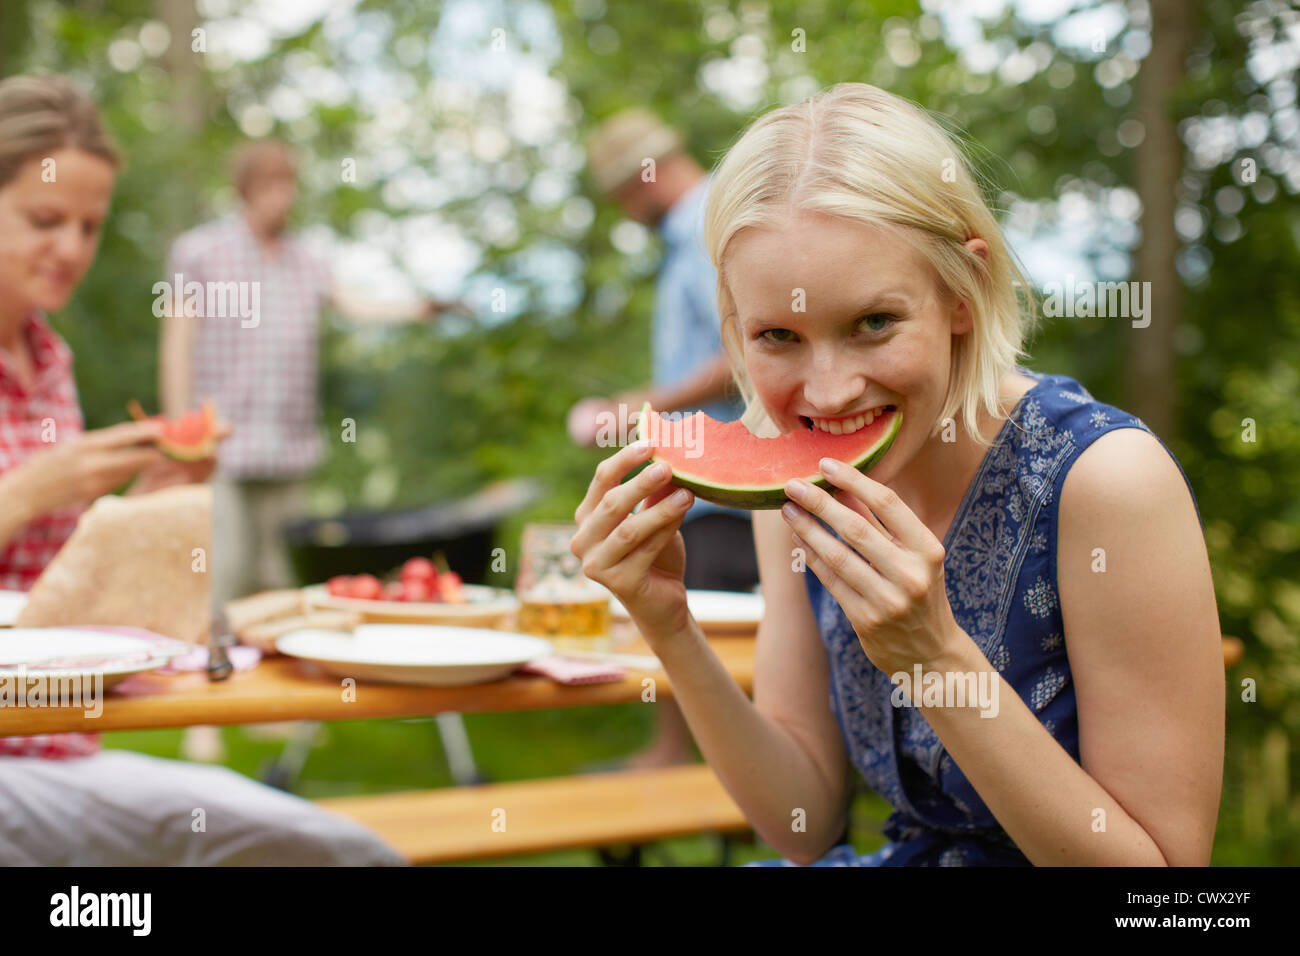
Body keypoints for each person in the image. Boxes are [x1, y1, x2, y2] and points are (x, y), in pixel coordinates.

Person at [570, 83, 1224, 866]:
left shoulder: (1105, 482)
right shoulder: (790, 497)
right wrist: (668, 624)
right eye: (778, 335)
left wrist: (934, 657)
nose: (829, 392)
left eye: (873, 323)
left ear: (962, 292)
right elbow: (802, 826)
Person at [0, 74, 404, 865]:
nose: (73, 249)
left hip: (60, 745)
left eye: (91, 225)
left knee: (350, 854)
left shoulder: (48, 358)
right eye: (45, 220)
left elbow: (48, 577)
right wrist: (31, 491)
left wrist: (145, 505)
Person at [159, 139, 458, 607]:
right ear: (246, 189)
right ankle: (211, 663)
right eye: (272, 185)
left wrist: (419, 309)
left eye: (289, 184)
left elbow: (354, 305)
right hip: (220, 443)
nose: (284, 196)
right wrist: (178, 428)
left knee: (282, 578)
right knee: (224, 571)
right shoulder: (201, 252)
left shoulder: (307, 260)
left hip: (286, 444)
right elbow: (178, 339)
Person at [570, 110, 759, 769]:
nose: (626, 214)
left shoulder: (708, 227)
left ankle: (707, 766)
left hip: (730, 475)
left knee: (705, 624)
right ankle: (691, 758)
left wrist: (638, 406)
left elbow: (748, 350)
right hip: (706, 476)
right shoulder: (690, 237)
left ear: (638, 181)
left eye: (622, 199)